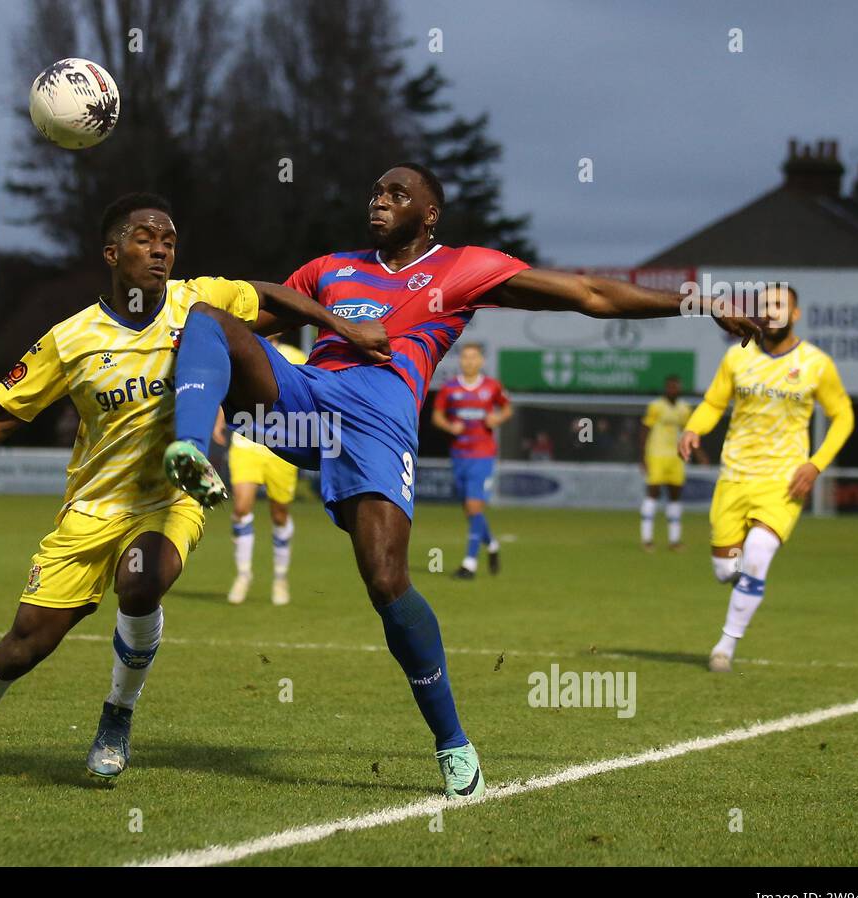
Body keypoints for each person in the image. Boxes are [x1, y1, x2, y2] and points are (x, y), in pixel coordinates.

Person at [163, 163, 762, 797]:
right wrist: (323, 325)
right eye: (375, 191)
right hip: (304, 405)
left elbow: (590, 294)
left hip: (376, 418)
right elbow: (257, 317)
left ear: (429, 216)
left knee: (386, 581)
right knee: (206, 317)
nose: (380, 201)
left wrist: (696, 302)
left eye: (398, 194)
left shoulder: (462, 269)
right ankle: (191, 450)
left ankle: (453, 743)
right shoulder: (328, 269)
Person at [0, 192, 382, 781]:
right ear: (112, 253)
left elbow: (269, 296)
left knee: (141, 584)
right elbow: (3, 414)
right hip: (90, 509)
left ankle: (117, 713)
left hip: (169, 500)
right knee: (24, 646)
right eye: (146, 238)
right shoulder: (71, 339)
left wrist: (341, 324)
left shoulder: (198, 303)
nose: (161, 248)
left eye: (168, 239)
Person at [679, 284, 853, 673]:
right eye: (765, 306)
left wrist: (816, 463)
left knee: (757, 554)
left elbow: (843, 415)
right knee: (727, 570)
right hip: (735, 478)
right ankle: (745, 584)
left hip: (784, 480)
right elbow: (713, 403)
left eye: (780, 305)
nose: (771, 311)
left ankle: (724, 647)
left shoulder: (816, 363)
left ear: (795, 314)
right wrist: (694, 428)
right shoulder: (736, 357)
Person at [214, 334, 309, 605]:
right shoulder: (241, 353)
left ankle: (280, 577)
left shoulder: (294, 356)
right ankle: (243, 575)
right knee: (241, 508)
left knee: (279, 514)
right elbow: (228, 389)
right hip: (246, 442)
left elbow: (308, 392)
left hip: (283, 446)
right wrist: (219, 421)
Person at [431, 343, 510, 578]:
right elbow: (437, 416)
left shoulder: (492, 387)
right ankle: (493, 544)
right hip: (459, 455)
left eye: (473, 357)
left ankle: (469, 564)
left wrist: (496, 418)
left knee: (475, 506)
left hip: (483, 455)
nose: (469, 361)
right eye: (465, 357)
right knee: (469, 510)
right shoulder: (450, 388)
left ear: (481, 361)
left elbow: (506, 409)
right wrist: (449, 425)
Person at [638, 374, 692, 551]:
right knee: (652, 493)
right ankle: (647, 539)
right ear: (666, 388)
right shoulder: (656, 406)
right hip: (657, 454)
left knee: (675, 496)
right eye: (670, 386)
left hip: (676, 457)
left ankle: (675, 540)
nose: (673, 389)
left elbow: (689, 431)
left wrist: (698, 453)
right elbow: (645, 429)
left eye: (675, 386)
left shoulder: (684, 408)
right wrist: (642, 456)